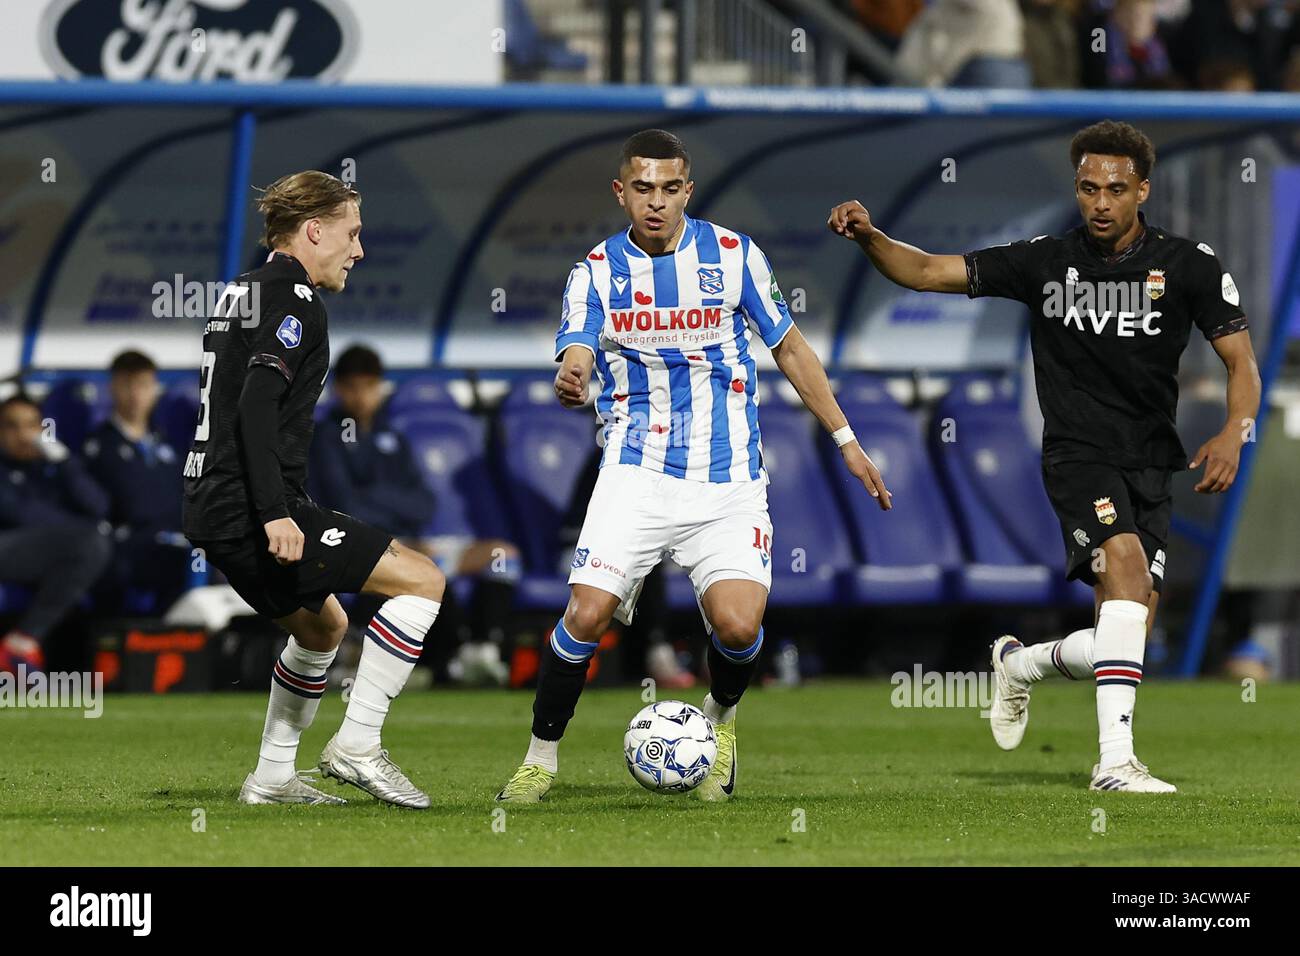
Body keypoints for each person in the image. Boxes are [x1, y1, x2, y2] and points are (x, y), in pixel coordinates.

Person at [828, 119, 1261, 792]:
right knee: (1122, 568)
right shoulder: (1043, 262)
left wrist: (1236, 429)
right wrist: (870, 237)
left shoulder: (1189, 266)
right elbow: (924, 271)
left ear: (1142, 190)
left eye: (1116, 189)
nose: (1100, 203)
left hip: (1152, 462)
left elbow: (1241, 362)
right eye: (1088, 188)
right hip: (1077, 455)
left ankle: (1021, 665)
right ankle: (1116, 763)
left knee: (1129, 622)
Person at [495, 129, 891, 804]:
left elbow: (792, 350)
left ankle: (721, 723)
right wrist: (572, 374)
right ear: (621, 192)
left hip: (728, 475)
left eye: (669, 188)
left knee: (738, 628)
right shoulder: (594, 271)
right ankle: (539, 759)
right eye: (642, 189)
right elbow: (578, 350)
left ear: (689, 191)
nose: (656, 202)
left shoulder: (733, 256)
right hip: (635, 469)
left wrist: (847, 439)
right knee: (585, 616)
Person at [182, 170, 445, 809]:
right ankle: (357, 746)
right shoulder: (295, 300)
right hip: (249, 504)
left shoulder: (243, 290)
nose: (358, 251)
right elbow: (256, 406)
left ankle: (270, 780)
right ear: (315, 230)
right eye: (351, 235)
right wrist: (275, 512)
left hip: (209, 503)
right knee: (424, 580)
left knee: (325, 625)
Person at [309, 344, 521, 684]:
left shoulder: (392, 435)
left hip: (413, 539)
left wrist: (374, 494)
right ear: (338, 389)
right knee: (426, 567)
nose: (361, 396)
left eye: (369, 387)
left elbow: (423, 504)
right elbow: (345, 506)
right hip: (358, 544)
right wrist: (392, 508)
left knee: (502, 554)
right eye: (352, 387)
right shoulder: (325, 438)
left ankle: (485, 646)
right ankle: (453, 654)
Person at [0, 393, 112, 673]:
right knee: (89, 541)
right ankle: (22, 642)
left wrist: (64, 461)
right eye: (12, 426)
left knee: (96, 544)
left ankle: (27, 642)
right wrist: (78, 527)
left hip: (44, 553)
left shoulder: (50, 468)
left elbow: (99, 506)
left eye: (30, 425)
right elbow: (21, 515)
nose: (23, 435)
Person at [83, 350, 188, 614]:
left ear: (154, 389)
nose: (135, 395)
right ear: (112, 389)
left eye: (143, 385)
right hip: (129, 545)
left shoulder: (169, 446)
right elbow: (122, 505)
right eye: (126, 385)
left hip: (175, 540)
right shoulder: (98, 446)